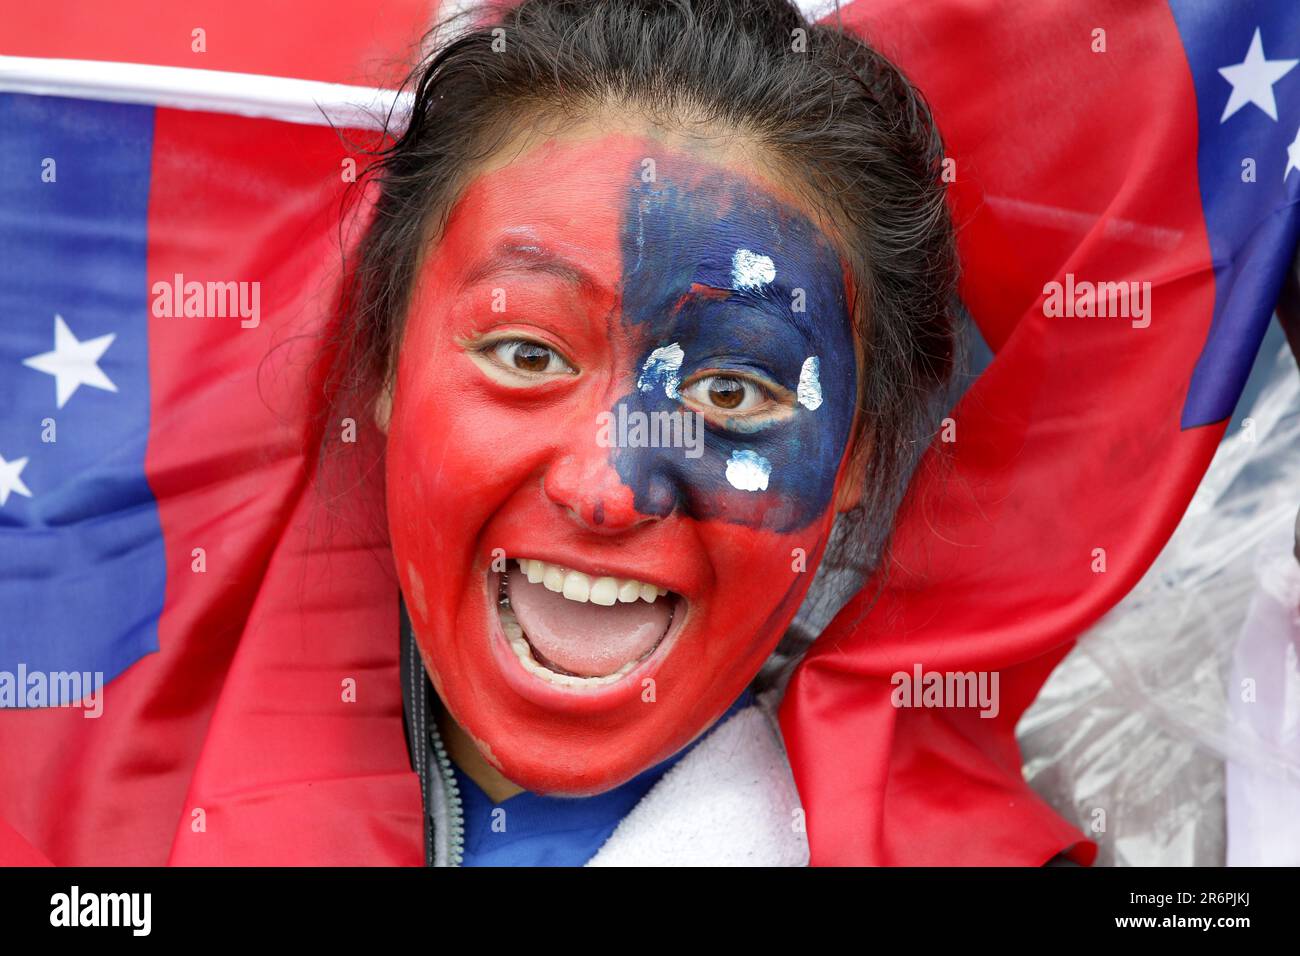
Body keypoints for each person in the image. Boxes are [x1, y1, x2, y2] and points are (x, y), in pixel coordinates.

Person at [328, 0, 958, 865]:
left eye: (731, 391)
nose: (605, 489)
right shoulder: (110, 780)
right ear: (386, 364)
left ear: (859, 453)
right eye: (528, 353)